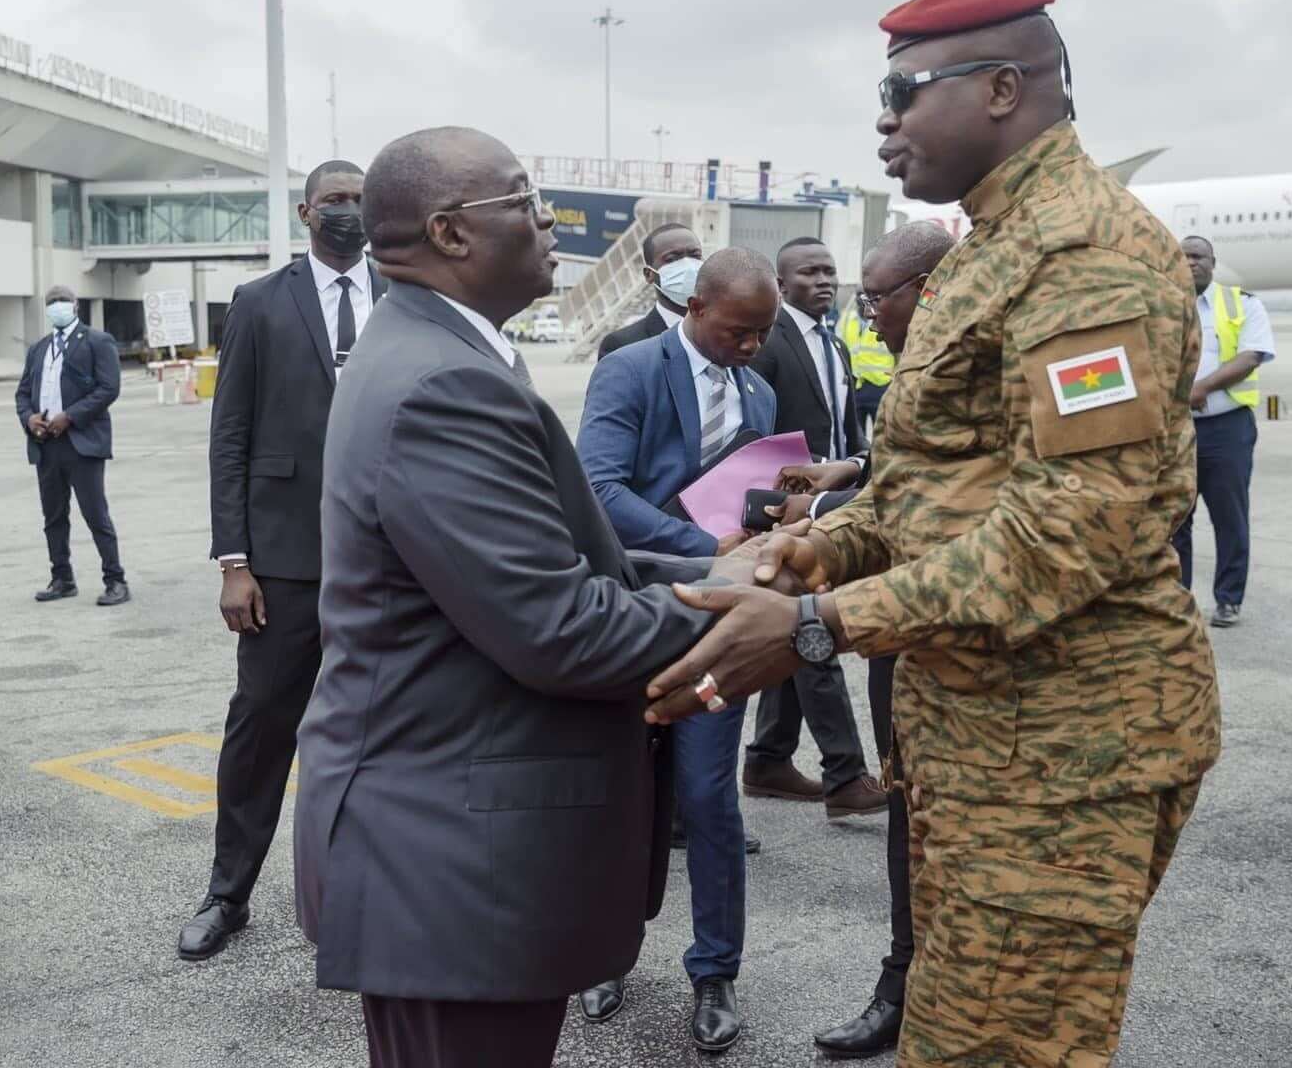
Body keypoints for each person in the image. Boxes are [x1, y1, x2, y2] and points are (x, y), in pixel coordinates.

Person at [655, 0, 1221, 1068]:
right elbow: (930, 487)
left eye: (900, 92)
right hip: (981, 731)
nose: (882, 121)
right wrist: (814, 546)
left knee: (1000, 1048)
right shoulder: (986, 249)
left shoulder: (1084, 254)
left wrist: (816, 621)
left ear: (1004, 89)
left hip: (1067, 746)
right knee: (955, 1031)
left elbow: (1075, 527)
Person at [293, 126, 757, 1068]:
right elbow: (559, 628)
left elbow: (555, 561)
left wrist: (706, 576)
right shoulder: (440, 384)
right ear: (451, 232)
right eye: (526, 201)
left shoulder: (448, 351)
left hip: (454, 848)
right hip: (452, 864)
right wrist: (733, 607)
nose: (550, 222)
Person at [575, 248, 781, 1052]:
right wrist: (705, 545)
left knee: (706, 797)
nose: (750, 349)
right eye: (738, 331)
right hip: (634, 614)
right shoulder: (631, 370)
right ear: (695, 308)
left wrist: (780, 523)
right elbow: (600, 490)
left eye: (761, 335)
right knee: (621, 793)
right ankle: (601, 954)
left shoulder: (757, 390)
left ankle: (715, 971)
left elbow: (752, 501)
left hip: (719, 627)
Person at [181, 161, 386, 962]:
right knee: (264, 725)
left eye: (360, 200)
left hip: (387, 556)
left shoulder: (406, 298)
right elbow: (229, 434)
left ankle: (370, 892)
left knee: (386, 731)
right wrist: (236, 561)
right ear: (306, 212)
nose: (348, 212)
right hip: (286, 562)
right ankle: (227, 894)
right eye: (335, 200)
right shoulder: (261, 303)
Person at [774, 222, 956, 1061]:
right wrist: (826, 514)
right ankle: (902, 981)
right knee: (905, 813)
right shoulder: (915, 369)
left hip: (974, 650)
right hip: (902, 639)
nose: (865, 314)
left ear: (930, 287)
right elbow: (896, 490)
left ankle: (953, 995)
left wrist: (823, 617)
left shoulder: (997, 362)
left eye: (876, 297)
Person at [744, 237, 880, 819]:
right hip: (783, 512)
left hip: (833, 511)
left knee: (796, 628)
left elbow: (846, 432)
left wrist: (854, 476)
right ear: (781, 285)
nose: (823, 281)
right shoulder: (768, 343)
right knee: (810, 630)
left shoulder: (837, 346)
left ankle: (768, 758)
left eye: (829, 271)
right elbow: (750, 431)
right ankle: (845, 774)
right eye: (808, 272)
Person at [1174, 235, 1273, 628]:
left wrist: (1202, 388)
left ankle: (1229, 599)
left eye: (1198, 256)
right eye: (1182, 257)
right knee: (1175, 518)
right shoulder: (1160, 304)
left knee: (1229, 517)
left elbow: (1250, 356)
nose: (1190, 263)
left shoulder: (1242, 304)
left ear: (1213, 262)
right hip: (1175, 431)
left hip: (1226, 429)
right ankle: (1178, 599)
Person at [16, 286, 129, 606]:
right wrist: (29, 419)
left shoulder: (97, 341)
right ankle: (62, 578)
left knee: (95, 514)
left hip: (82, 442)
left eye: (62, 301)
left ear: (75, 305)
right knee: (53, 516)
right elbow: (22, 393)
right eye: (51, 303)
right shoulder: (38, 349)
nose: (57, 307)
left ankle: (115, 580)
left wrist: (71, 416)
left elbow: (109, 388)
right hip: (46, 443)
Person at [597, 223, 703, 359]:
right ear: (649, 274)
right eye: (672, 259)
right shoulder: (621, 345)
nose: (689, 266)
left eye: (695, 256)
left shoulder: (723, 335)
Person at [838, 294, 895, 429]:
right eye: (859, 294)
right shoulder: (847, 319)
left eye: (865, 294)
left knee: (883, 433)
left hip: (880, 386)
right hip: (855, 386)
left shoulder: (884, 319)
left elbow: (899, 352)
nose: (861, 298)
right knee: (856, 437)